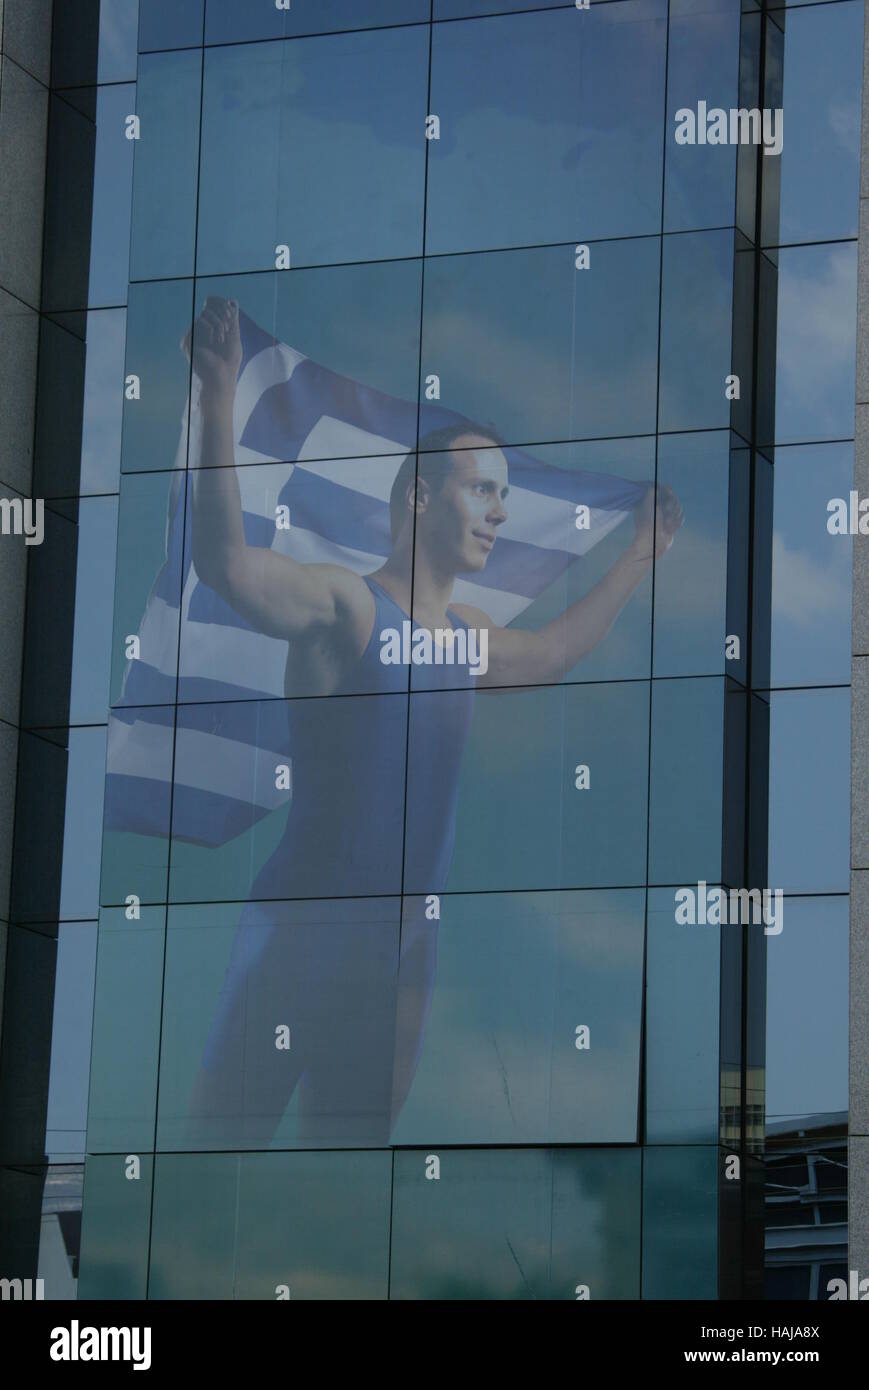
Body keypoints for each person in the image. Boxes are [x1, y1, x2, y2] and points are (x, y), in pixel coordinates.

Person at [184, 295, 684, 1146]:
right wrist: (218, 394)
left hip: (404, 949)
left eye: (503, 494)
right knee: (211, 1155)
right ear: (419, 497)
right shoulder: (348, 608)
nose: (497, 511)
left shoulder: (468, 640)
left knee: (351, 1177)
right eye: (481, 490)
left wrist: (639, 555)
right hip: (300, 930)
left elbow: (556, 651)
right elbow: (227, 566)